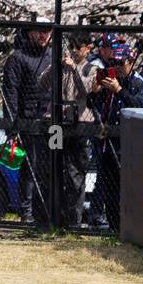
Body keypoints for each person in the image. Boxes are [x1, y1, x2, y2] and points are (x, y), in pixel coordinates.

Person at [88, 42, 143, 231]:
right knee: (109, 188)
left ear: (131, 62)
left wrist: (119, 91)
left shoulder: (139, 83)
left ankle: (130, 227)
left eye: (121, 63)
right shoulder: (109, 80)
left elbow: (140, 105)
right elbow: (93, 105)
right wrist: (95, 90)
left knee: (128, 188)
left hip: (130, 145)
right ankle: (114, 227)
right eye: (113, 62)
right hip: (108, 142)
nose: (117, 67)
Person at [40, 33, 94, 229]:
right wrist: (57, 66)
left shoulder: (91, 68)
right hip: (57, 124)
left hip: (79, 125)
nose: (73, 51)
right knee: (54, 169)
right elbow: (42, 83)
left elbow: (87, 90)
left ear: (87, 48)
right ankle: (55, 217)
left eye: (77, 47)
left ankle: (74, 220)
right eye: (70, 47)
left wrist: (75, 70)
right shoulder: (60, 66)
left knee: (75, 174)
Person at [2, 26, 54, 227]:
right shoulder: (17, 58)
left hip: (51, 123)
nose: (43, 35)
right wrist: (12, 128)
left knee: (50, 168)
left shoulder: (53, 56)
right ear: (30, 33)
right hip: (28, 123)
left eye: (47, 32)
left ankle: (46, 212)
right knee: (29, 169)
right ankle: (27, 213)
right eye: (38, 31)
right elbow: (10, 94)